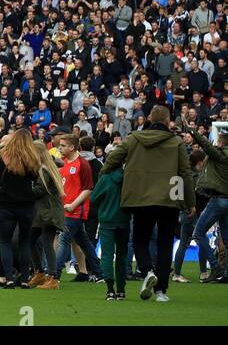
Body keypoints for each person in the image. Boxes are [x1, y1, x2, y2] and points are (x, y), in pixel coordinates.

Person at [99, 105, 194, 302]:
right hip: (169, 198)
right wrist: (190, 202)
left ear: (149, 118)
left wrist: (104, 174)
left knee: (140, 239)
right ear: (168, 121)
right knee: (165, 244)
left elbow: (113, 158)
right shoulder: (176, 142)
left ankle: (147, 271)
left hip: (140, 197)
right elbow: (185, 172)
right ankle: (161, 291)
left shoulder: (133, 139)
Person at [0, 129, 41, 288]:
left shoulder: (1, 157)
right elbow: (35, 179)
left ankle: (8, 278)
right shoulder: (32, 159)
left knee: (5, 243)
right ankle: (24, 279)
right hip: (27, 205)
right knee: (24, 243)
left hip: (7, 204)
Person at [181, 120, 228, 283]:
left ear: (222, 143)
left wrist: (192, 131)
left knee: (198, 233)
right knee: (227, 240)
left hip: (219, 199)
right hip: (226, 200)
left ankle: (215, 267)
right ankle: (226, 274)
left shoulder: (220, 155)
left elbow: (205, 145)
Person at [53, 133, 102, 283]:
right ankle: (99, 273)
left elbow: (88, 189)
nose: (59, 148)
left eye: (62, 146)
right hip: (65, 209)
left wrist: (73, 204)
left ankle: (55, 275)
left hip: (75, 210)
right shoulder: (64, 163)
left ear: (72, 147)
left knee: (63, 239)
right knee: (84, 242)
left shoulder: (83, 164)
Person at [28, 141, 66, 290]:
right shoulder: (48, 166)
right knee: (31, 241)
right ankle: (41, 272)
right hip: (45, 212)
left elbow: (38, 191)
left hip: (48, 212)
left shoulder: (44, 171)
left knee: (46, 243)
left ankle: (53, 277)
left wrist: (24, 188)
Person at [91, 164, 130, 300]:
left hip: (107, 220)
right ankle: (121, 290)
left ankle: (110, 289)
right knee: (122, 256)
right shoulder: (128, 178)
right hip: (124, 220)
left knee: (107, 255)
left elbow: (93, 198)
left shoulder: (105, 178)